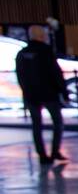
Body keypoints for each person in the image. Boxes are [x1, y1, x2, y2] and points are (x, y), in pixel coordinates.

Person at [15, 23, 68, 165]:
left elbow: (19, 75)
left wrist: (25, 90)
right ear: (41, 36)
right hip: (48, 93)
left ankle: (42, 155)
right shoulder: (46, 51)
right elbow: (56, 73)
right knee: (57, 122)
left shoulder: (22, 53)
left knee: (36, 125)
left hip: (31, 95)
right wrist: (64, 92)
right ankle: (55, 150)